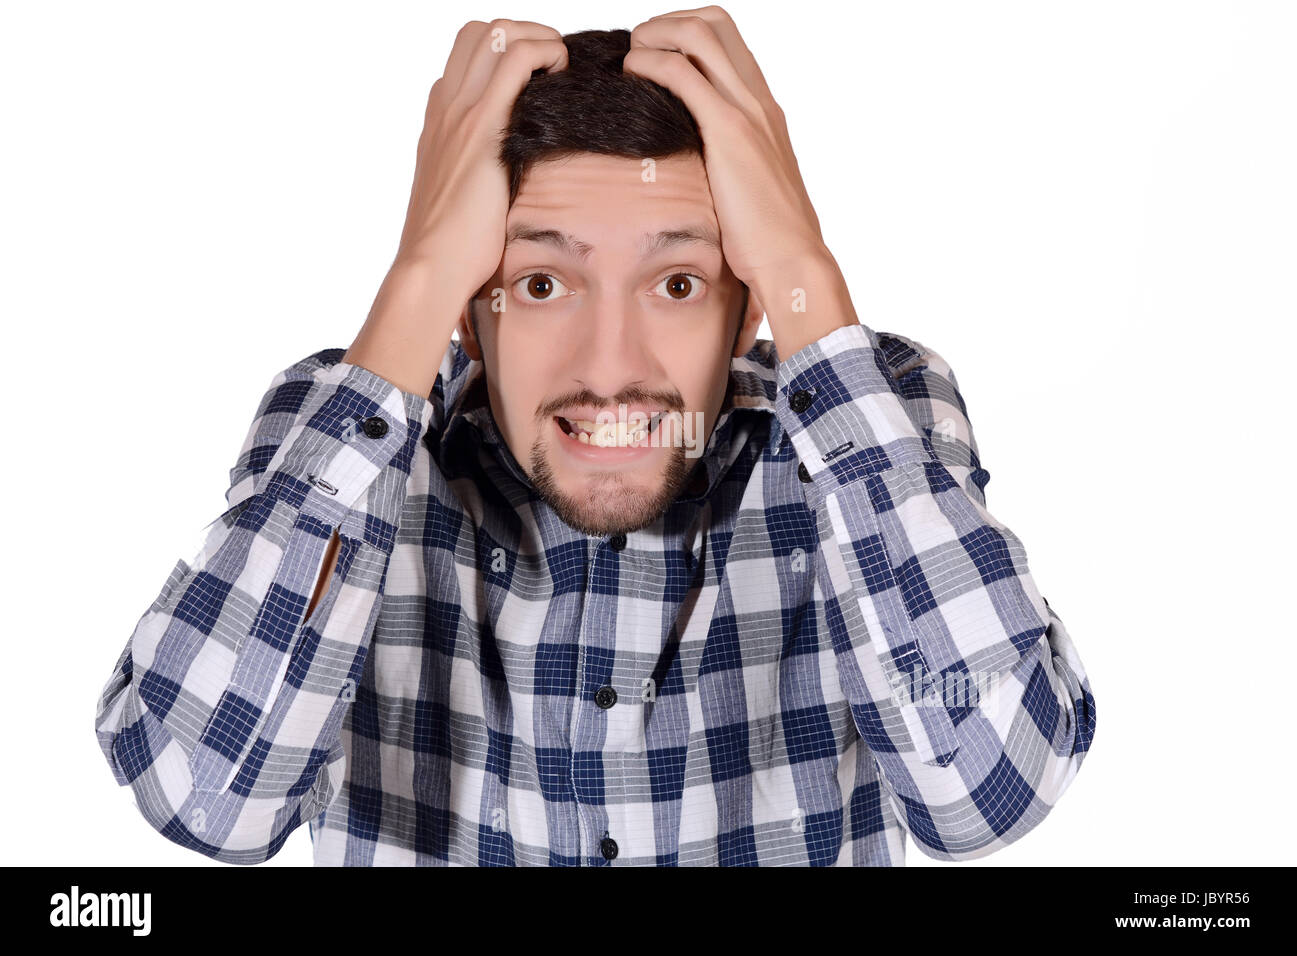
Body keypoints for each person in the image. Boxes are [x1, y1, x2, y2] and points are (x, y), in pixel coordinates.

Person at [94, 8, 1096, 866]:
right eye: (540, 283)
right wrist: (412, 285)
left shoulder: (866, 414)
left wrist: (800, 269)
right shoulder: (347, 434)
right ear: (468, 308)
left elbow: (992, 788)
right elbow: (200, 795)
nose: (610, 362)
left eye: (676, 283)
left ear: (745, 310)